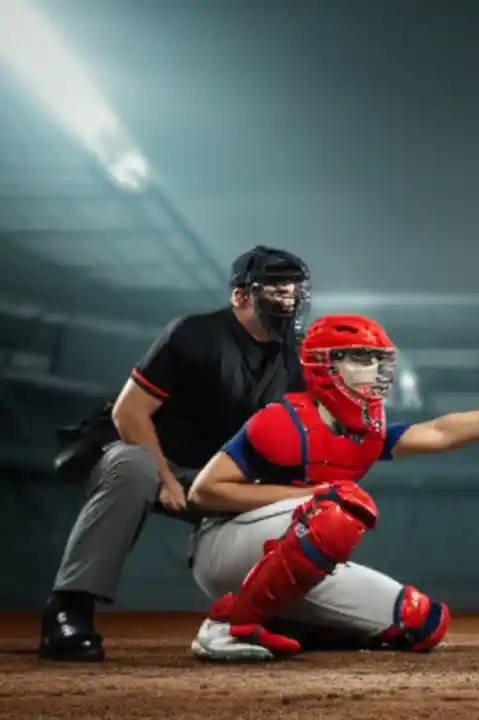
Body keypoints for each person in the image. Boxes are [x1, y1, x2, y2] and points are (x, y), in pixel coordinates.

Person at [185, 315, 479, 660]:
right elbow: (203, 492)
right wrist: (312, 497)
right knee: (338, 506)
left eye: (376, 359)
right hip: (224, 547)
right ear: (324, 364)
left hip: (295, 556)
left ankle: (275, 620)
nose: (372, 370)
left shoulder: (367, 430)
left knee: (422, 623)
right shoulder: (282, 420)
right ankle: (227, 627)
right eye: (358, 358)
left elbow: (440, 433)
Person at [38, 246, 311, 662]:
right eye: (276, 290)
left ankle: (277, 612)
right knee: (134, 466)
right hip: (150, 455)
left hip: (220, 475)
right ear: (241, 295)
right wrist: (165, 478)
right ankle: (68, 608)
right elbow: (129, 412)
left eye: (293, 291)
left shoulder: (295, 355)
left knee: (308, 497)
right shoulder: (194, 333)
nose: (288, 300)